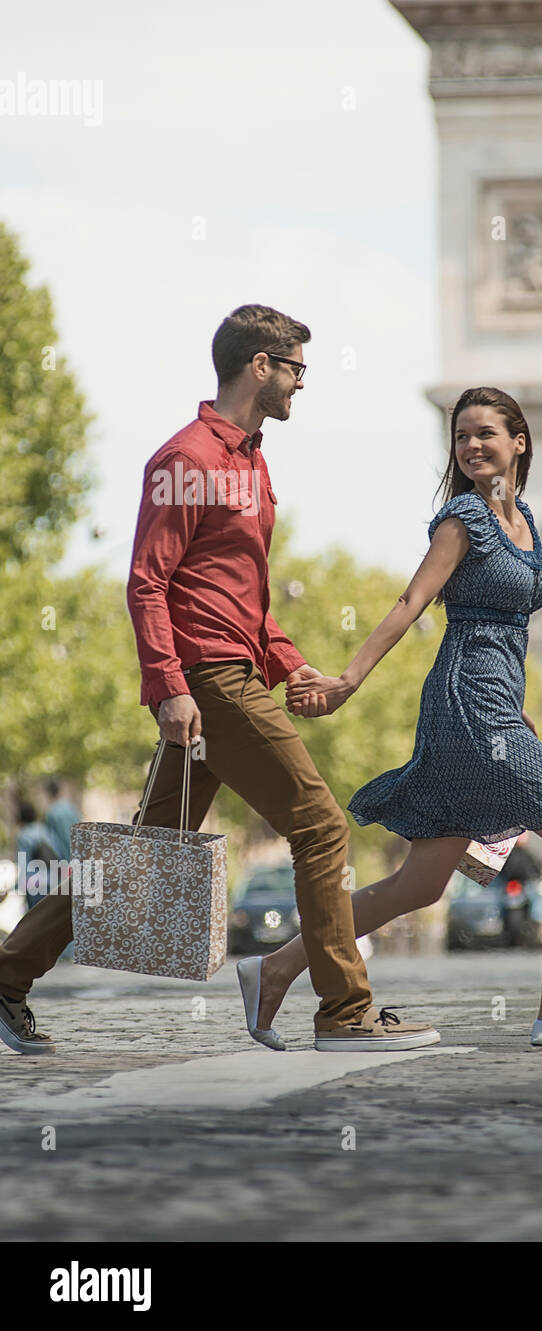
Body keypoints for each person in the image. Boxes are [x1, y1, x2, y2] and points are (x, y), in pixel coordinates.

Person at [0, 304, 437, 1057]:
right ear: (259, 365)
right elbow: (147, 582)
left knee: (139, 855)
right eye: (296, 368)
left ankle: (5, 975)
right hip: (207, 681)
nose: (303, 383)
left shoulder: (254, 463)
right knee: (321, 825)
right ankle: (344, 1009)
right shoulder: (187, 460)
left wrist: (293, 665)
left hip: (237, 674)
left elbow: (247, 598)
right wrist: (169, 685)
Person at [250, 386, 542, 1050]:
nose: (472, 445)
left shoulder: (525, 521)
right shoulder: (463, 517)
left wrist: (519, 708)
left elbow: (508, 630)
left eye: (485, 432)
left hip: (494, 705)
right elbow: (410, 602)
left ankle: (275, 967)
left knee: (419, 885)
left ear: (519, 441)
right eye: (461, 436)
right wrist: (346, 680)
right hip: (469, 707)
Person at [41, 778, 79, 863]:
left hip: (61, 861)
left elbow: (50, 841)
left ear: (48, 793)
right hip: (77, 856)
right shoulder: (71, 807)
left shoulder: (51, 812)